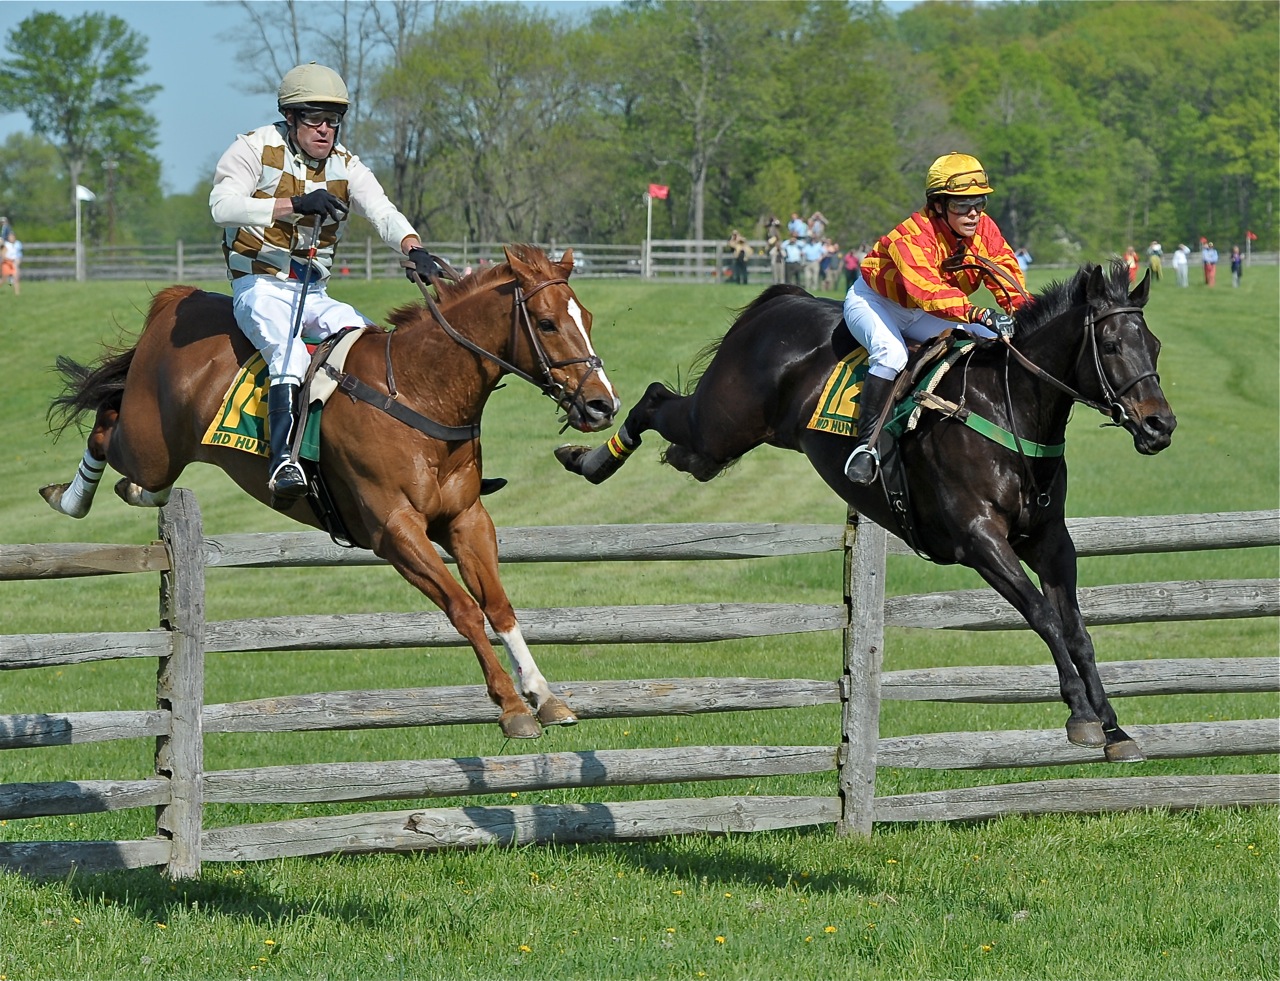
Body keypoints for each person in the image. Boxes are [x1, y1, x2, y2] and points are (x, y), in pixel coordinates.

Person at [209, 63, 441, 508]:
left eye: (333, 120)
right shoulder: (254, 148)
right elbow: (222, 206)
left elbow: (383, 211)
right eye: (314, 118)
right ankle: (282, 461)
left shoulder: (345, 165)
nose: (325, 129)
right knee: (291, 353)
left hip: (313, 293)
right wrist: (294, 204)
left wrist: (414, 249)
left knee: (373, 343)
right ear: (291, 118)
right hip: (259, 286)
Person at [841, 151, 1026, 485]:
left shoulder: (984, 229)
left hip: (923, 310)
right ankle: (866, 447)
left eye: (979, 202)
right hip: (876, 302)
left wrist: (1023, 313)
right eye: (961, 205)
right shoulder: (911, 236)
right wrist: (980, 313)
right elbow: (927, 292)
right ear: (939, 204)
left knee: (982, 337)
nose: (973, 213)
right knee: (892, 353)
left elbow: (1004, 270)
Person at [2, 229, 21, 296]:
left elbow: (18, 254)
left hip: (14, 263)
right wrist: (9, 260)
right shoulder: (6, 245)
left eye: (13, 237)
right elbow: (3, 255)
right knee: (4, 279)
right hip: (7, 263)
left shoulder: (17, 244)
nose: (12, 238)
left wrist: (17, 261)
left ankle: (17, 294)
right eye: (10, 237)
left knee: (16, 278)